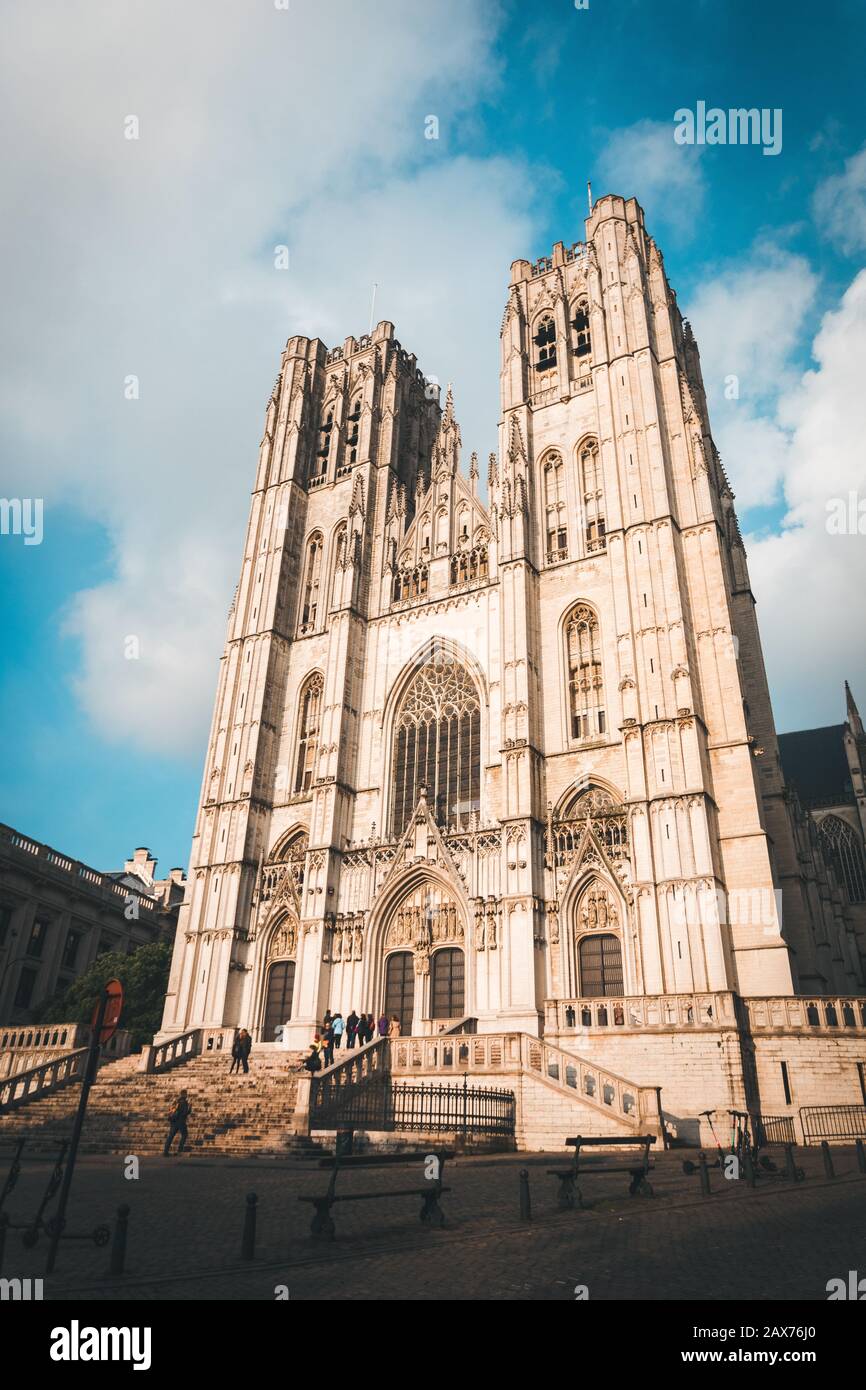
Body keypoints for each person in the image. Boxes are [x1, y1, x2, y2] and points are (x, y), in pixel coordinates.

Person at [164, 1090, 192, 1156]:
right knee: (184, 1134)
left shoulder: (176, 1101)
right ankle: (179, 1150)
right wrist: (190, 1106)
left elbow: (171, 1110)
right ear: (185, 1095)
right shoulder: (184, 1102)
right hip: (181, 1121)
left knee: (171, 1136)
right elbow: (185, 1113)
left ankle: (165, 1151)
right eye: (186, 1094)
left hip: (173, 1121)